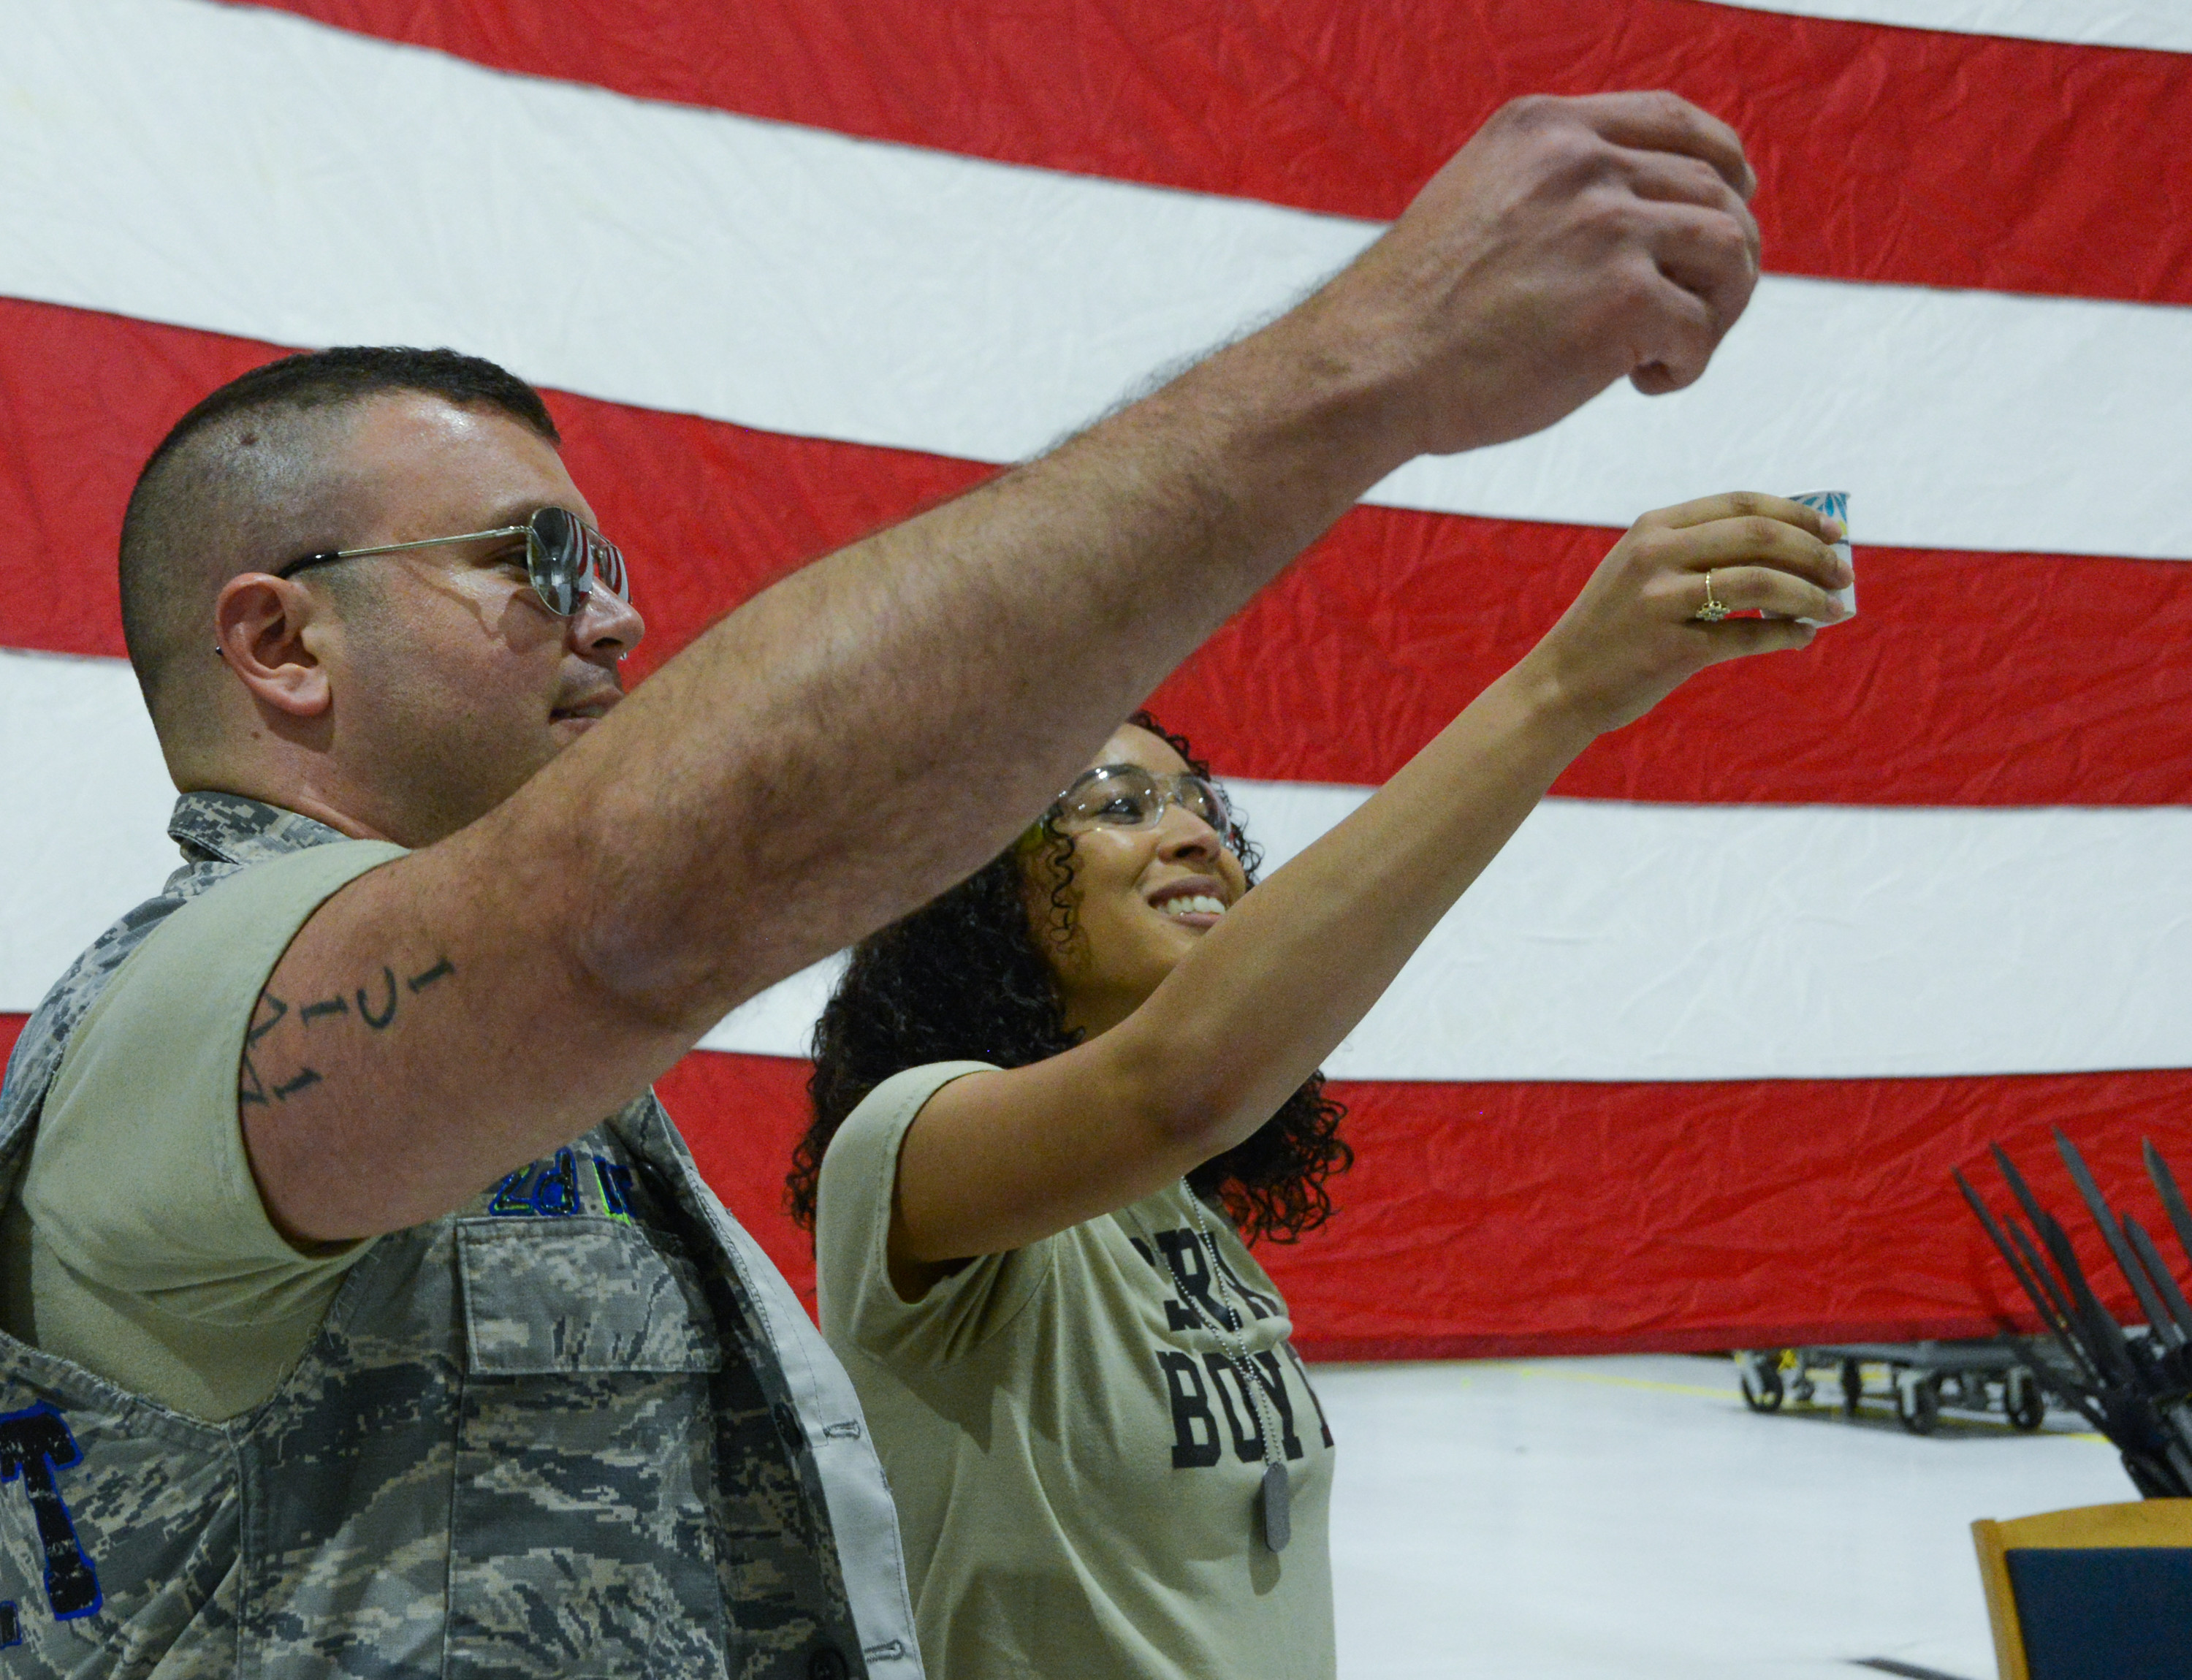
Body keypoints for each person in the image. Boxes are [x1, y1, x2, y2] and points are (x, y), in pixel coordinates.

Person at [0, 92, 1767, 1678]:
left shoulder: (541, 1091)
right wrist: (1376, 360)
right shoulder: (186, 1003)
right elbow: (636, 902)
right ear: (281, 643)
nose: (615, 614)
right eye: (536, 558)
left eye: (607, 560)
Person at [794, 493, 1851, 1680]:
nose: (1197, 836)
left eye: (1201, 806)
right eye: (1120, 806)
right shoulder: (910, 1146)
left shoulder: (1183, 1214)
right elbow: (1179, 1083)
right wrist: (1561, 691)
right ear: (977, 890)